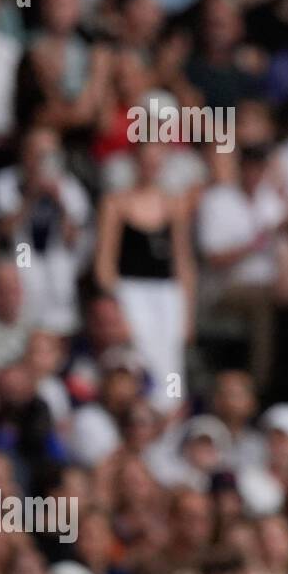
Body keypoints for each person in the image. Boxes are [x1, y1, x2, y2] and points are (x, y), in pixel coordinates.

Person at [93, 138, 196, 415]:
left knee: (171, 362)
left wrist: (187, 313)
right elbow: (105, 262)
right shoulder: (116, 203)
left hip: (167, 295)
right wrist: (116, 306)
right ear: (134, 161)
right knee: (140, 357)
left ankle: (170, 414)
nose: (151, 166)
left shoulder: (173, 205)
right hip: (130, 291)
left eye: (156, 160)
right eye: (145, 160)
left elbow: (182, 261)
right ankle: (138, 415)